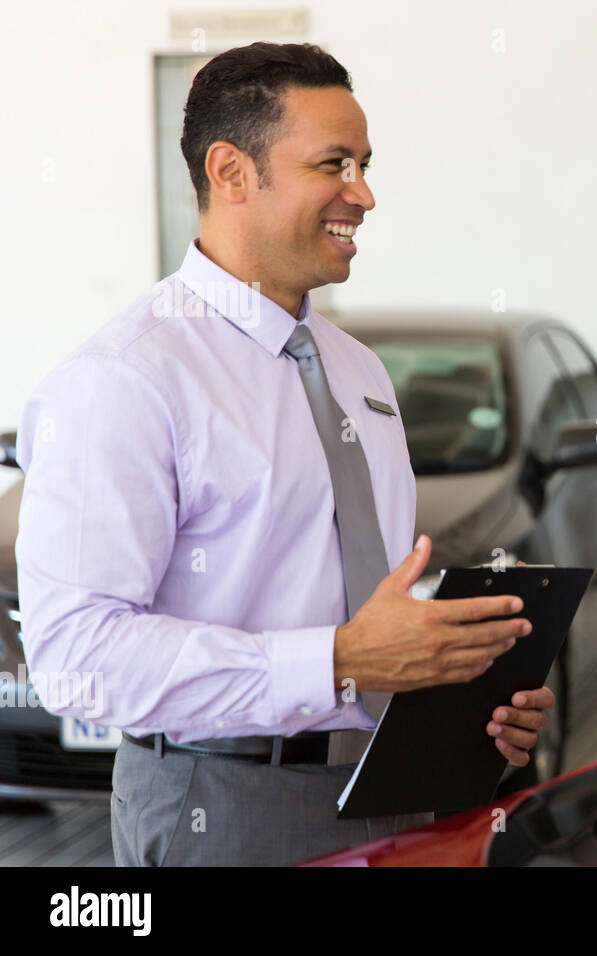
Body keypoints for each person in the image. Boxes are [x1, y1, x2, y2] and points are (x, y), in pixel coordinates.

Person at [15, 42, 550, 866]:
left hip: (403, 790)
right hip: (227, 807)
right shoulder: (124, 380)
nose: (363, 195)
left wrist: (463, 691)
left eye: (366, 165)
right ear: (231, 172)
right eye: (333, 164)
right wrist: (336, 663)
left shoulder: (357, 369)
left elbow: (372, 615)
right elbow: (79, 658)